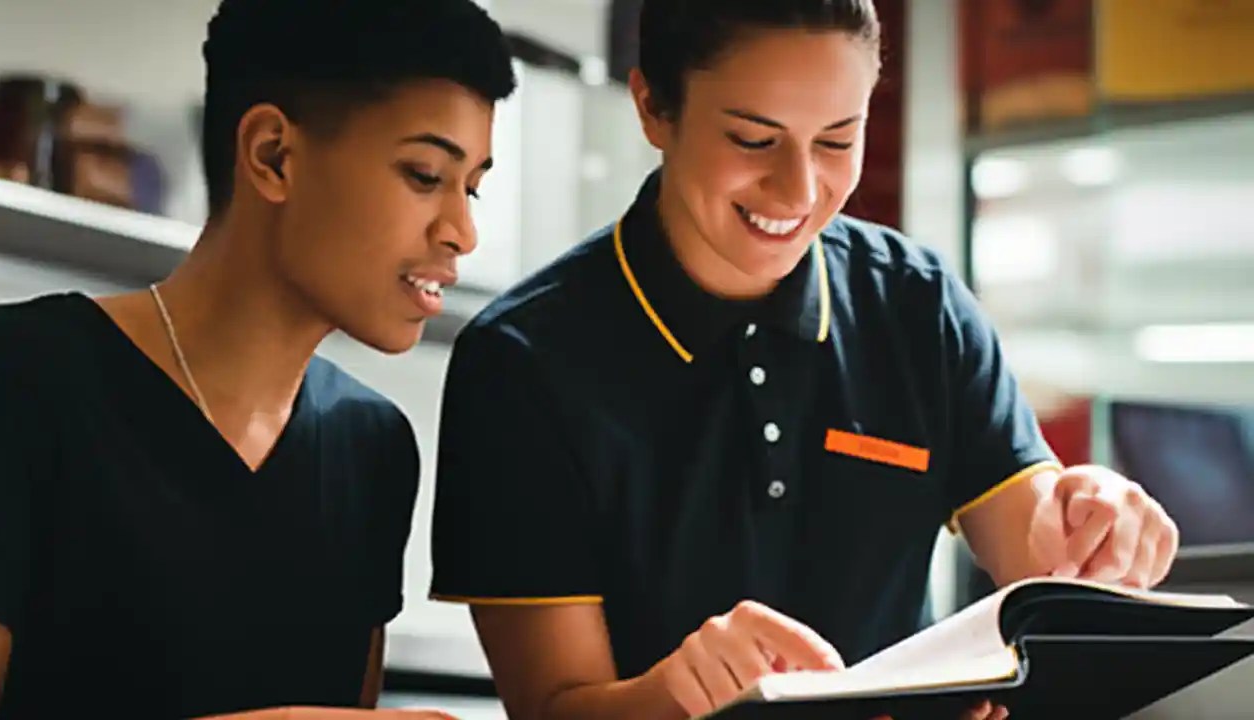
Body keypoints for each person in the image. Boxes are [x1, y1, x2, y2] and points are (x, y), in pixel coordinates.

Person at [428, 1, 1179, 719]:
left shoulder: (918, 307)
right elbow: (550, 709)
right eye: (755, 140)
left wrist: (1099, 528)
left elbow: (1045, 566)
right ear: (654, 106)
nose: (800, 189)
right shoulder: (522, 361)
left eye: (836, 141)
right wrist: (681, 690)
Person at [0, 0, 515, 718]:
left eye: (471, 185)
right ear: (273, 155)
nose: (462, 231)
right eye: (424, 175)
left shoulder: (373, 448)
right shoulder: (11, 380)